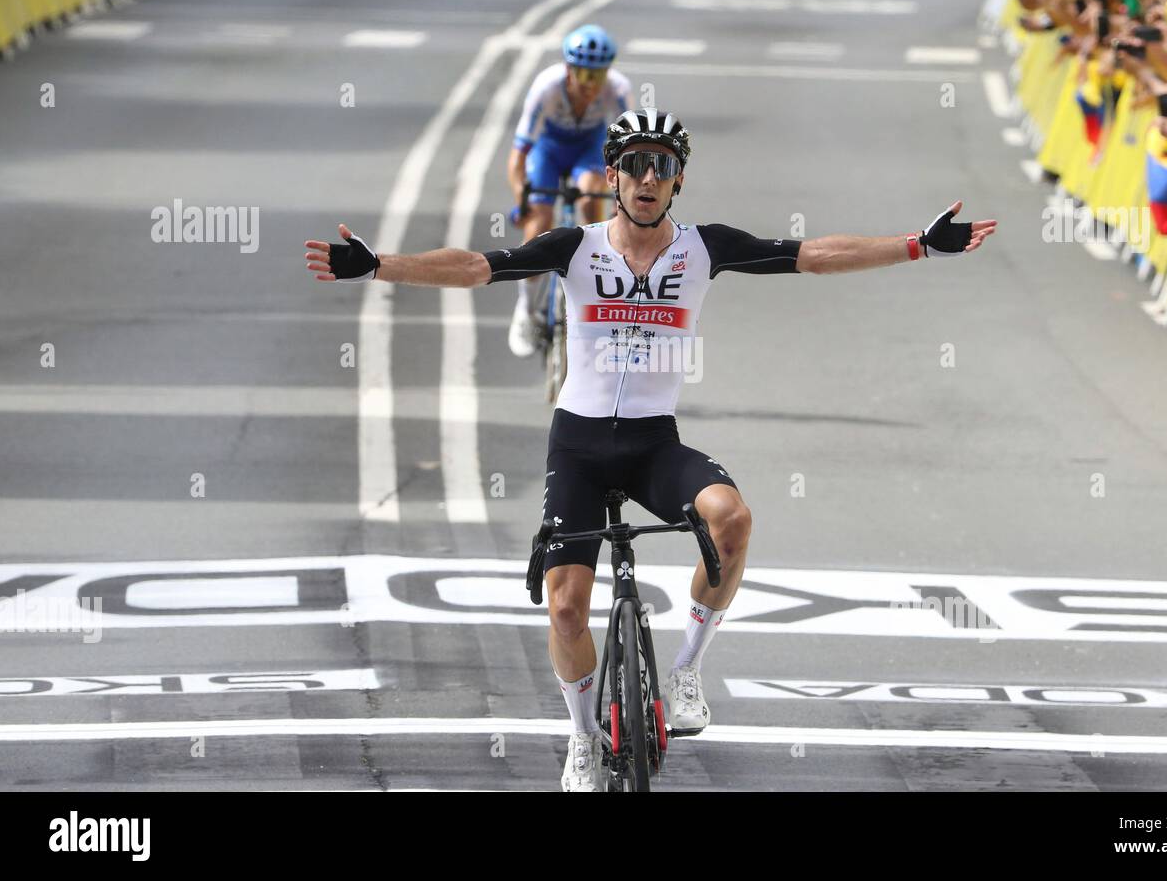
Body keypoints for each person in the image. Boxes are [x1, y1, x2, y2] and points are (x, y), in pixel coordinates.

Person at [304, 107, 997, 791]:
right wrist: (379, 267)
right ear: (612, 175)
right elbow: (477, 268)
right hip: (576, 447)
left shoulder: (706, 248)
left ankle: (688, 671)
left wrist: (919, 245)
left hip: (652, 445)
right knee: (567, 608)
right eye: (633, 163)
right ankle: (581, 736)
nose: (646, 177)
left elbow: (813, 256)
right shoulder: (574, 247)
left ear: (677, 182)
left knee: (732, 520)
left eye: (660, 166)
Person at [506, 23, 632, 358]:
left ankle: (592, 271)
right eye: (584, 76)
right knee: (539, 221)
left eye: (598, 76)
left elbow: (628, 153)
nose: (592, 86)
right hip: (548, 151)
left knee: (592, 194)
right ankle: (526, 311)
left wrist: (624, 205)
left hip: (588, 150)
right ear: (568, 70)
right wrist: (522, 197)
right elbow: (518, 155)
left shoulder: (618, 89)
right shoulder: (546, 87)